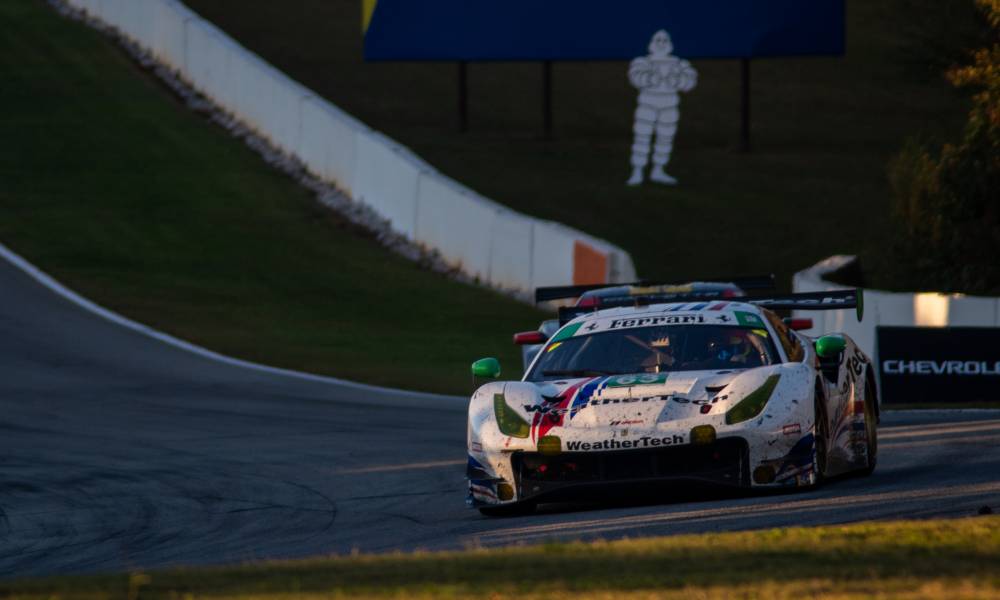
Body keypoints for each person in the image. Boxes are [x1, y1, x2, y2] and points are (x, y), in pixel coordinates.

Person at [626, 30, 698, 186]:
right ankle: (637, 170)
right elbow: (636, 76)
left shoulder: (678, 63)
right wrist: (652, 78)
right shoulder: (643, 62)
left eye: (664, 40)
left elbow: (689, 80)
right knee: (642, 136)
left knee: (665, 138)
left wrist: (676, 80)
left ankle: (658, 169)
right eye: (658, 40)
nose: (661, 44)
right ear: (652, 43)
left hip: (669, 105)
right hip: (647, 104)